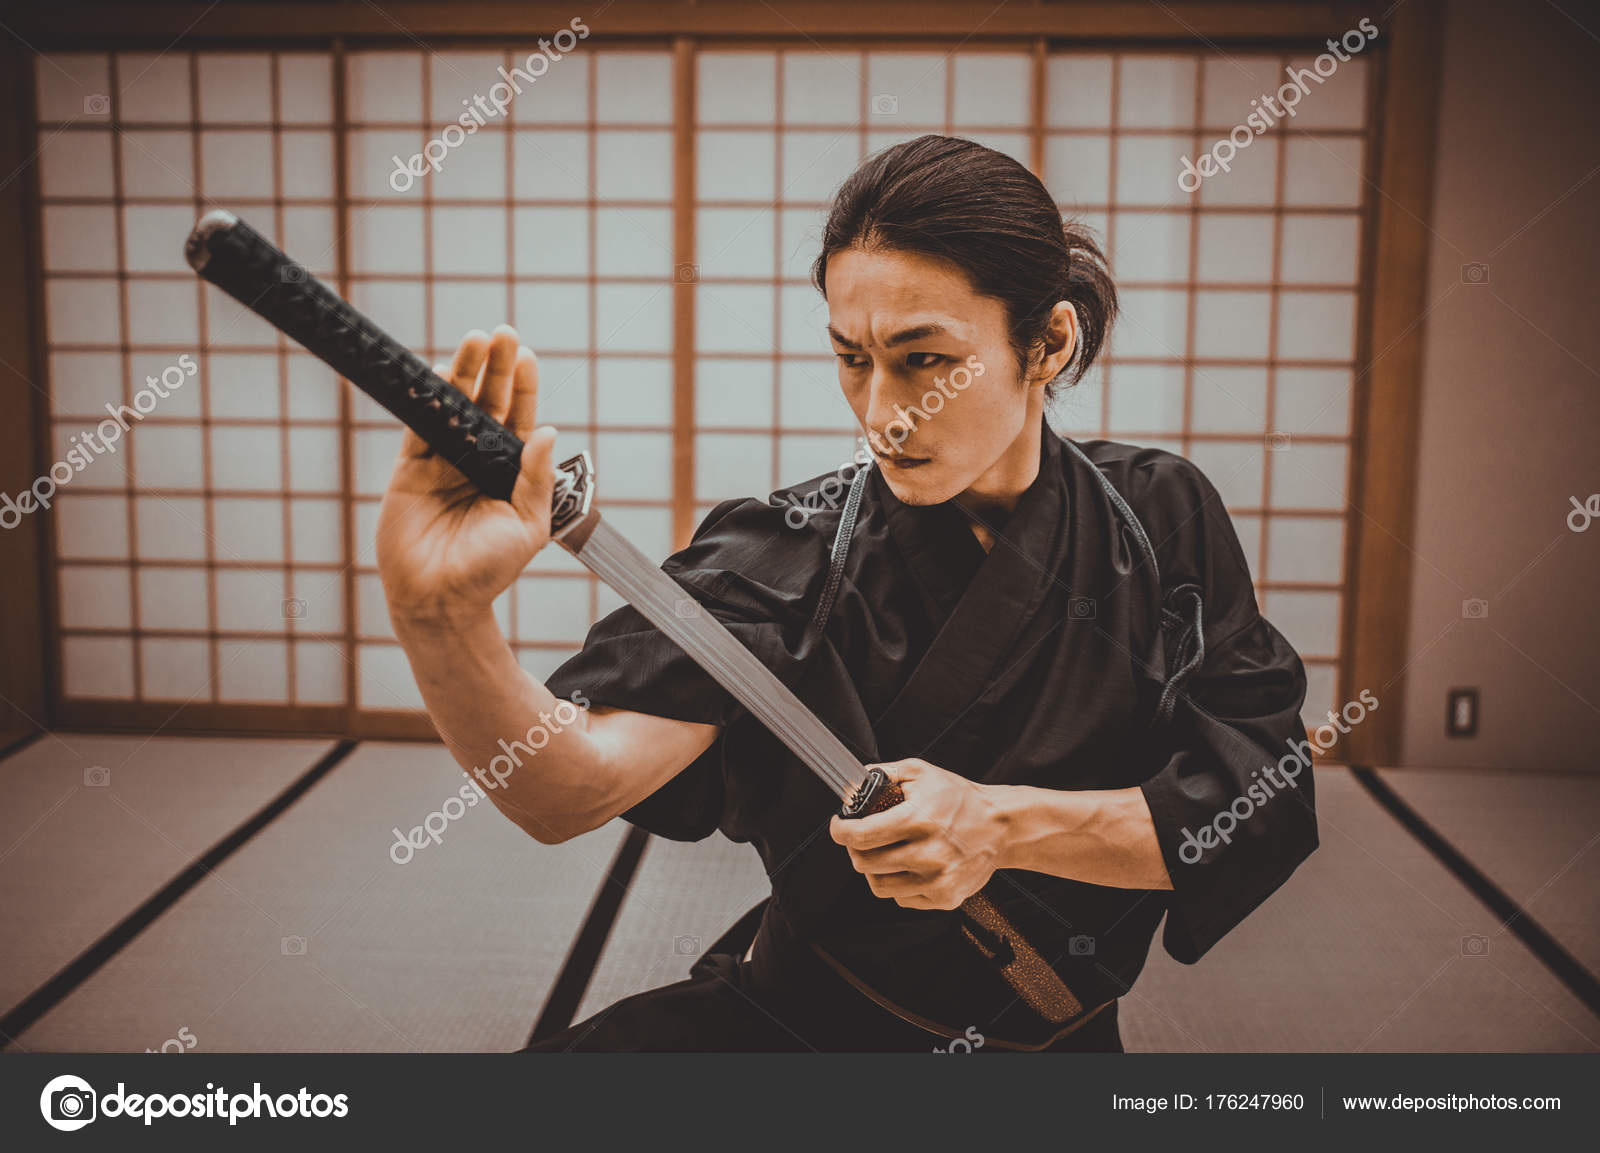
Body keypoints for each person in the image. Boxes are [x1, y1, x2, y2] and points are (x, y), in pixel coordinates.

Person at [376, 134, 1318, 1052]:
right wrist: (440, 619)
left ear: (1048, 343)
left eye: (926, 359)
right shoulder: (792, 553)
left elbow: (1259, 801)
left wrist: (999, 826)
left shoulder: (1156, 520)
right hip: (792, 1030)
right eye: (852, 358)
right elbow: (565, 789)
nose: (881, 414)